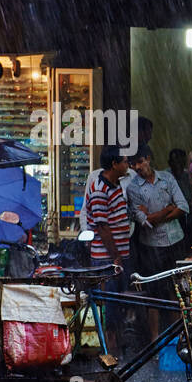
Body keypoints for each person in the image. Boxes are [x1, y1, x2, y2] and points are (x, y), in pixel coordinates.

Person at [126, 149, 189, 340]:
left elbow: (183, 207)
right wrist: (167, 210)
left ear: (148, 158)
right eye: (133, 164)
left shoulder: (167, 179)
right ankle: (155, 340)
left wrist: (156, 215)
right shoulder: (133, 188)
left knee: (175, 291)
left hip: (175, 240)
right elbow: (144, 221)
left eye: (139, 162)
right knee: (154, 293)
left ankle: (179, 336)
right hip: (151, 246)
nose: (137, 167)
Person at [85, 145, 133, 354]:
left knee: (119, 302)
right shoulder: (99, 190)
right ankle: (109, 348)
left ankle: (117, 344)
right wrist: (116, 257)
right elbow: (103, 228)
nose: (127, 164)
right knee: (110, 305)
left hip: (119, 256)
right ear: (114, 164)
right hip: (107, 259)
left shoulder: (115, 186)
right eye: (124, 161)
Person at [169, 148, 192, 254]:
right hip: (173, 214)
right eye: (175, 161)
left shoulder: (188, 175)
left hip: (188, 212)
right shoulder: (166, 177)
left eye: (180, 161)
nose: (178, 164)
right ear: (170, 163)